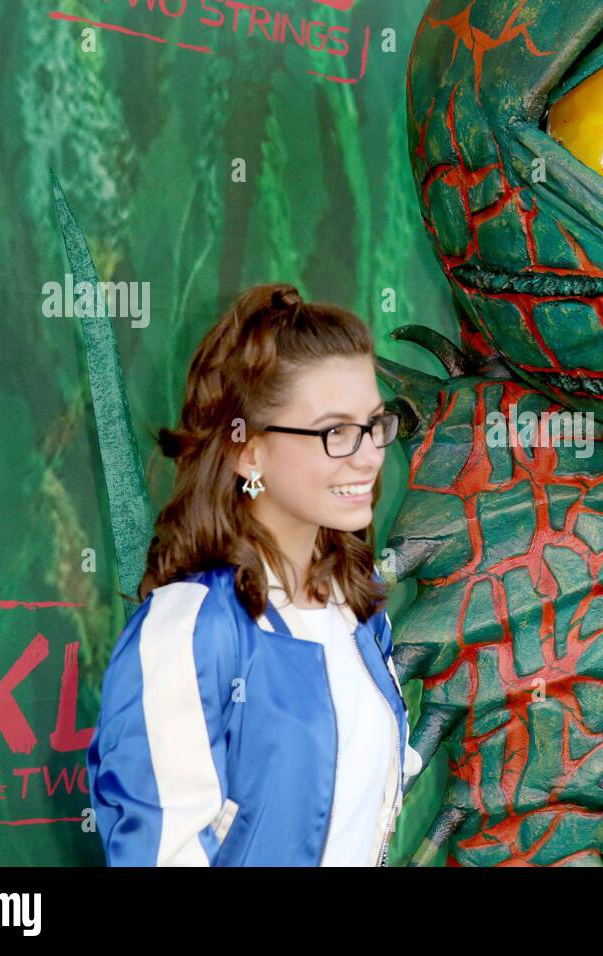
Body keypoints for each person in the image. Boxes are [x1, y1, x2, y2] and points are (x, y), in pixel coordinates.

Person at [86, 283, 423, 866]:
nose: (369, 454)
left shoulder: (357, 610)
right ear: (248, 451)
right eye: (335, 431)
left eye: (374, 424)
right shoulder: (192, 629)